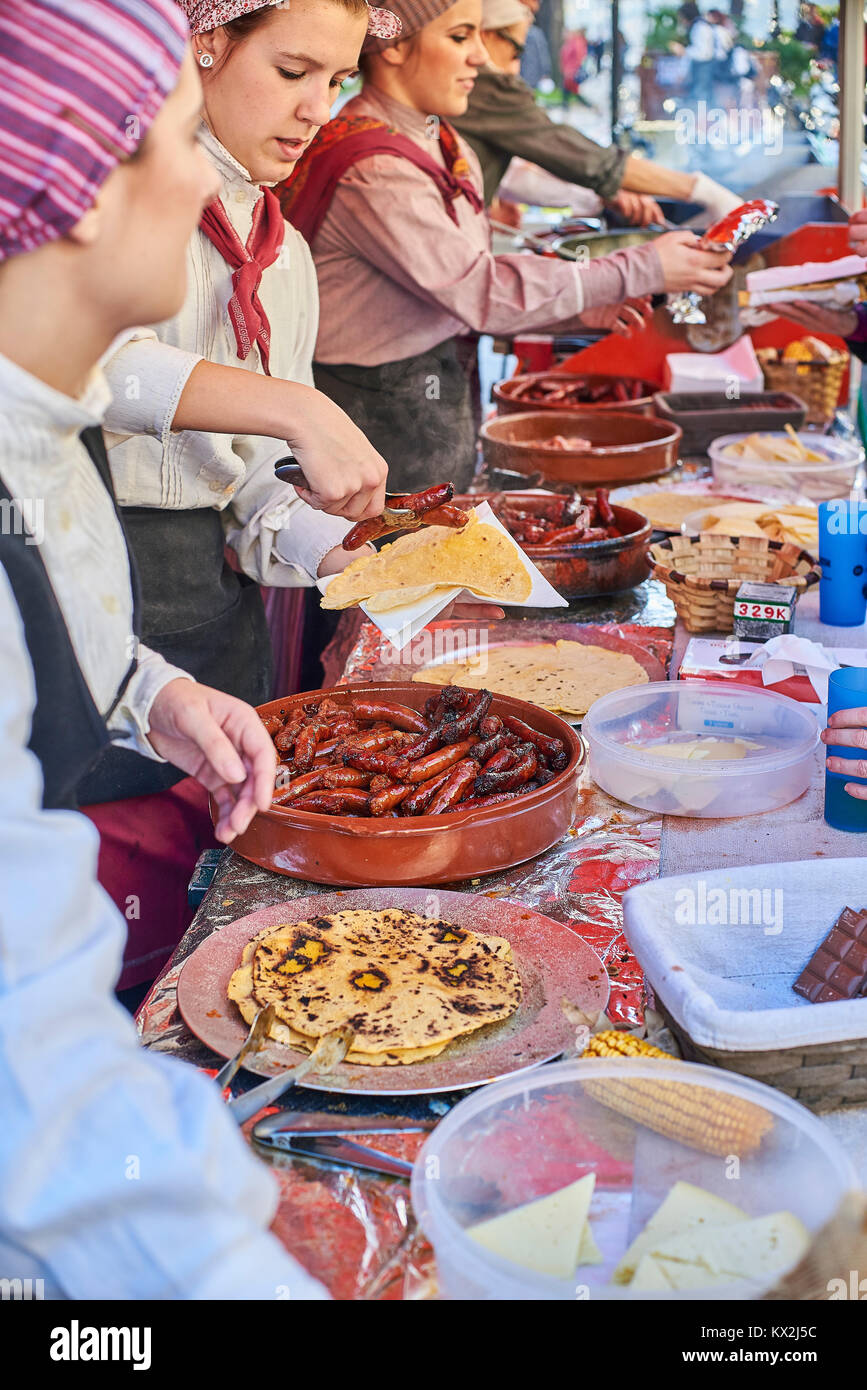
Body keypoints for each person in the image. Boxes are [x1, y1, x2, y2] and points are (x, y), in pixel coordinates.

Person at [0, 0, 327, 1300]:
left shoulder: (41, 421)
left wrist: (156, 695)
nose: (205, 179)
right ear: (81, 183)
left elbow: (65, 623)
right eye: (183, 136)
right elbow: (44, 1103)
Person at [86, 0, 401, 993]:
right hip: (101, 606)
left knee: (220, 932)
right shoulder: (122, 206)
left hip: (218, 638)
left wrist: (331, 552)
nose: (318, 109)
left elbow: (247, 483)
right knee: (101, 937)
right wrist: (293, 403)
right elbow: (95, 364)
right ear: (205, 47)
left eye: (338, 81)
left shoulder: (286, 256)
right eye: (295, 70)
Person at [278, 0, 733, 495]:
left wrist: (579, 311)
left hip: (424, 395)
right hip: (382, 414)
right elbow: (480, 289)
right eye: (459, 37)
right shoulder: (376, 168)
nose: (480, 57)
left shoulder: (437, 137)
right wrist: (641, 268)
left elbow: (459, 290)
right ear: (393, 48)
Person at [453, 0, 741, 220]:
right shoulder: (485, 84)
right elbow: (586, 159)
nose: (516, 69)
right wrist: (705, 192)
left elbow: (524, 168)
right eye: (517, 51)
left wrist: (594, 195)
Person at [518, 0, 551, 90]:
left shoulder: (535, 33)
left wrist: (545, 72)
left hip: (529, 75)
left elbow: (542, 53)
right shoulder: (535, 33)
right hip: (524, 74)